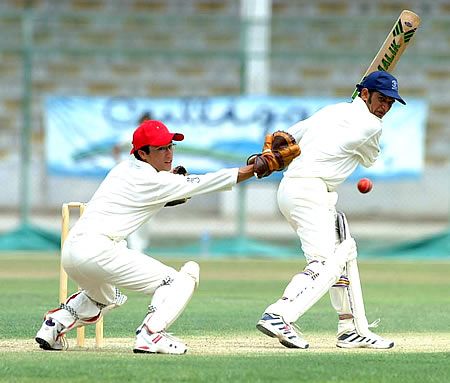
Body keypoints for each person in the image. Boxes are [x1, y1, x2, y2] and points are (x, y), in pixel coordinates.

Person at [35, 119, 298, 354]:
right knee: (178, 280)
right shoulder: (155, 182)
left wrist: (171, 186)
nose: (169, 153)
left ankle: (54, 324)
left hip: (72, 251)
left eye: (171, 146)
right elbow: (207, 183)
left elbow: (157, 190)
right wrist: (254, 168)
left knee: (103, 297)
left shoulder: (123, 169)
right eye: (161, 149)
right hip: (99, 250)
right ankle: (151, 334)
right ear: (142, 153)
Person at [256, 71, 405, 350]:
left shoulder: (332, 111)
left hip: (298, 190)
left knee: (344, 251)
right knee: (324, 264)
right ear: (365, 94)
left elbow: (289, 136)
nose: (384, 107)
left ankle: (350, 328)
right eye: (381, 99)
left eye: (390, 103)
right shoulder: (372, 126)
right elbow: (371, 159)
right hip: (309, 192)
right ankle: (279, 314)